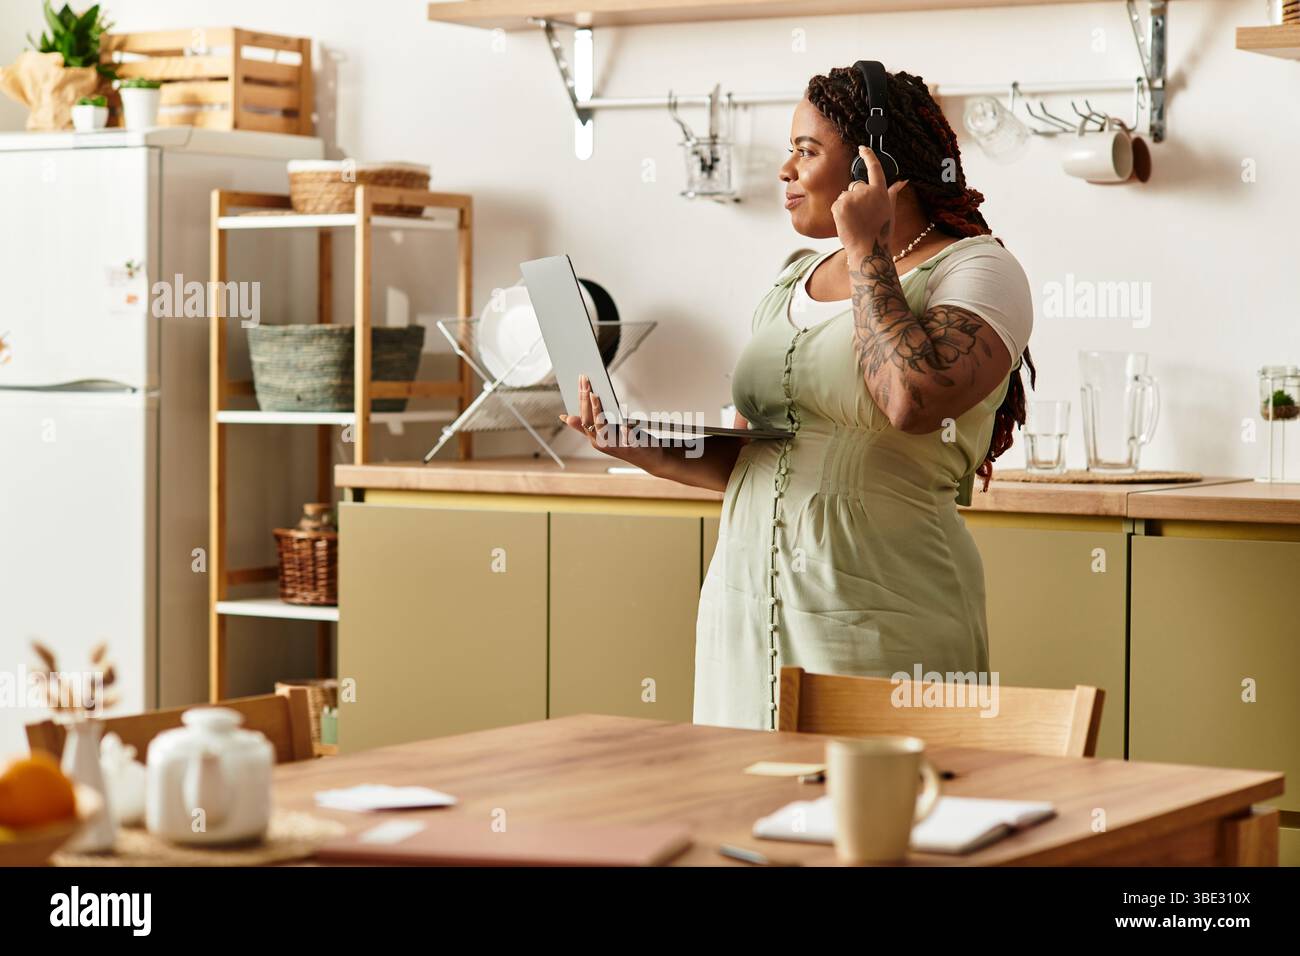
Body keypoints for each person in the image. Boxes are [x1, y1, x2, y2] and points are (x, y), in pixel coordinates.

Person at [560, 65, 1035, 730]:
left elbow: (911, 400)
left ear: (877, 162)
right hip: (743, 617)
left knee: (884, 822)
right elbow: (758, 461)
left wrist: (866, 246)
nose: (785, 170)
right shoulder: (793, 281)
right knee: (745, 817)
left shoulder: (978, 270)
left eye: (807, 151)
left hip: (885, 622)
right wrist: (634, 442)